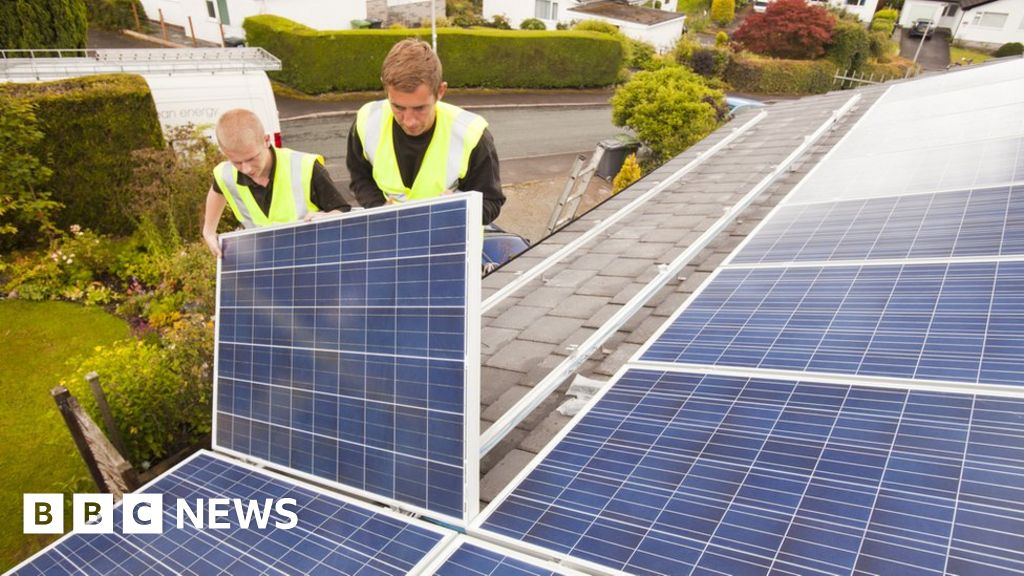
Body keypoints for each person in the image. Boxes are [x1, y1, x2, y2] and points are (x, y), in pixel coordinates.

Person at [346, 38, 505, 224]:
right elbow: (360, 178)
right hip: (390, 231)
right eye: (397, 107)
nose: (409, 121)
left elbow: (491, 202)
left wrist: (459, 211)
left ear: (440, 91)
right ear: (386, 89)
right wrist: (380, 208)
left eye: (420, 108)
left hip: (449, 238)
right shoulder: (367, 120)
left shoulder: (472, 134)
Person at [202, 109, 351, 256]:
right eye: (237, 162)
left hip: (313, 259)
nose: (246, 169)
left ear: (266, 140)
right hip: (266, 263)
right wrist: (208, 231)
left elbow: (342, 210)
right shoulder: (225, 174)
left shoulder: (305, 167)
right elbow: (218, 189)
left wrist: (330, 216)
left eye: (251, 158)